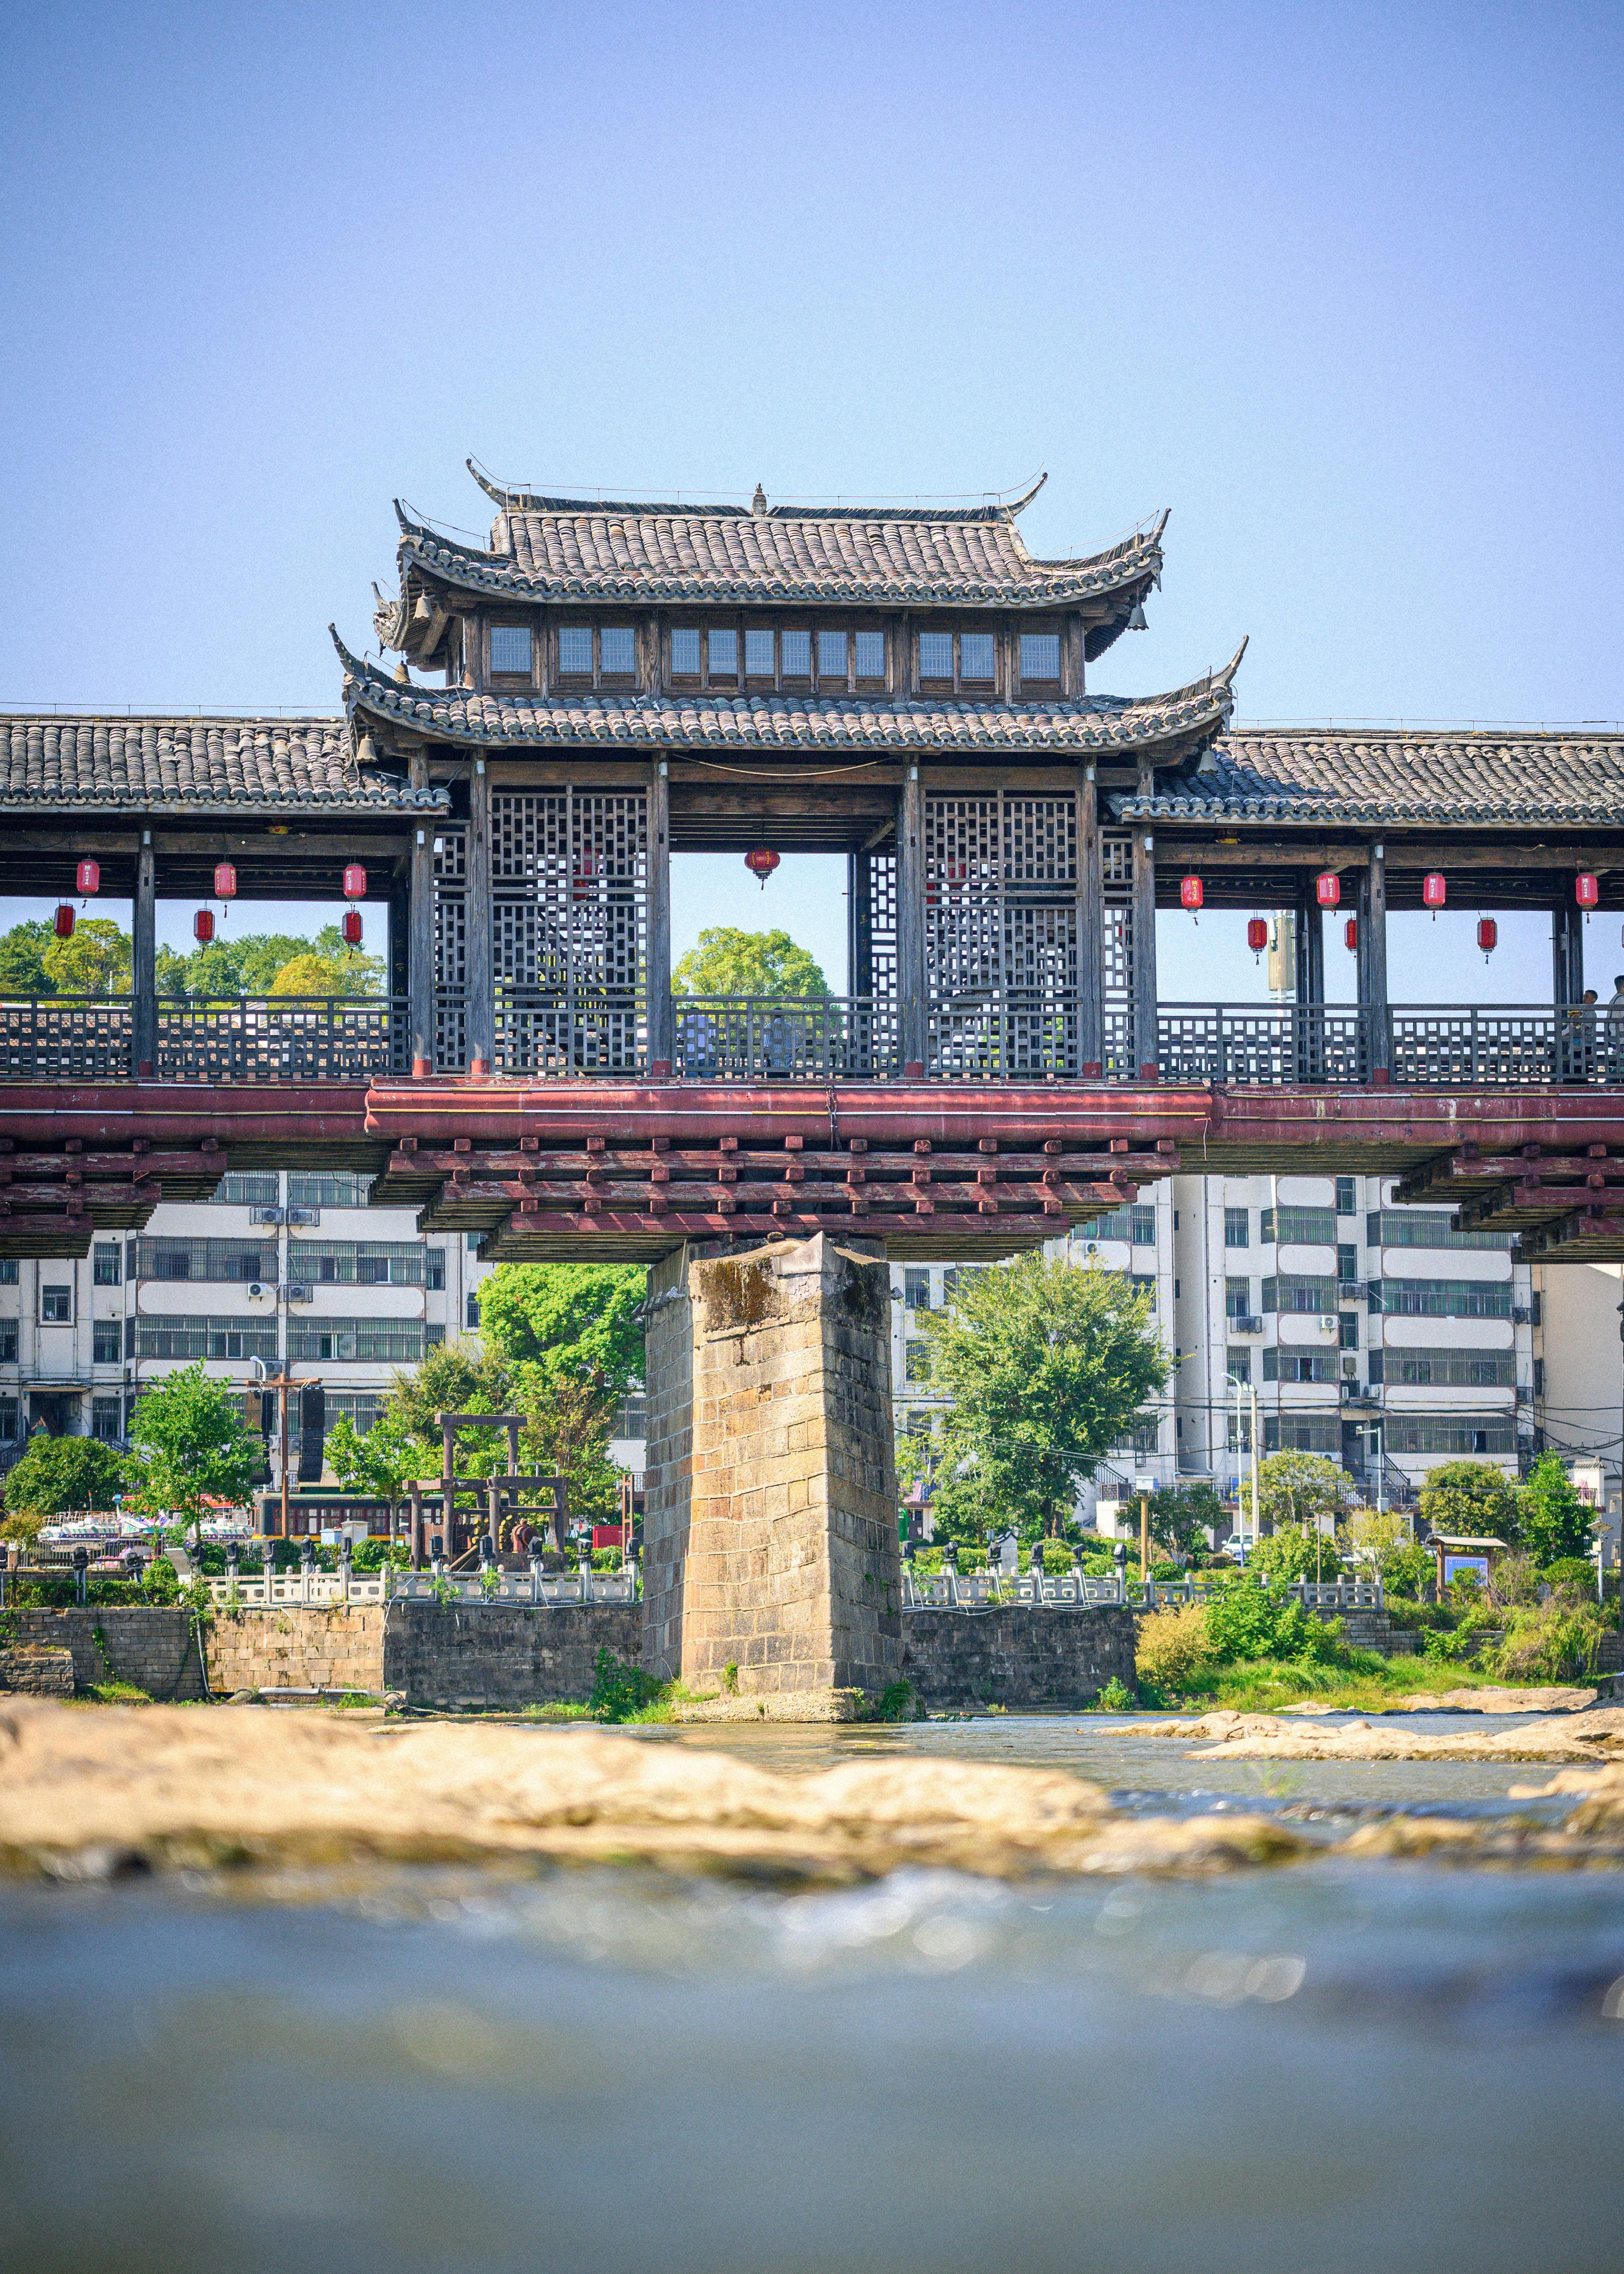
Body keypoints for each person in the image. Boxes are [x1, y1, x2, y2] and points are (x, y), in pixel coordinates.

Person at [1607, 977, 1624, 1083]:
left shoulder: (1614, 999)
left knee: (1618, 1065)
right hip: (1622, 1038)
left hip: (1615, 1038)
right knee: (1619, 1067)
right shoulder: (1622, 999)